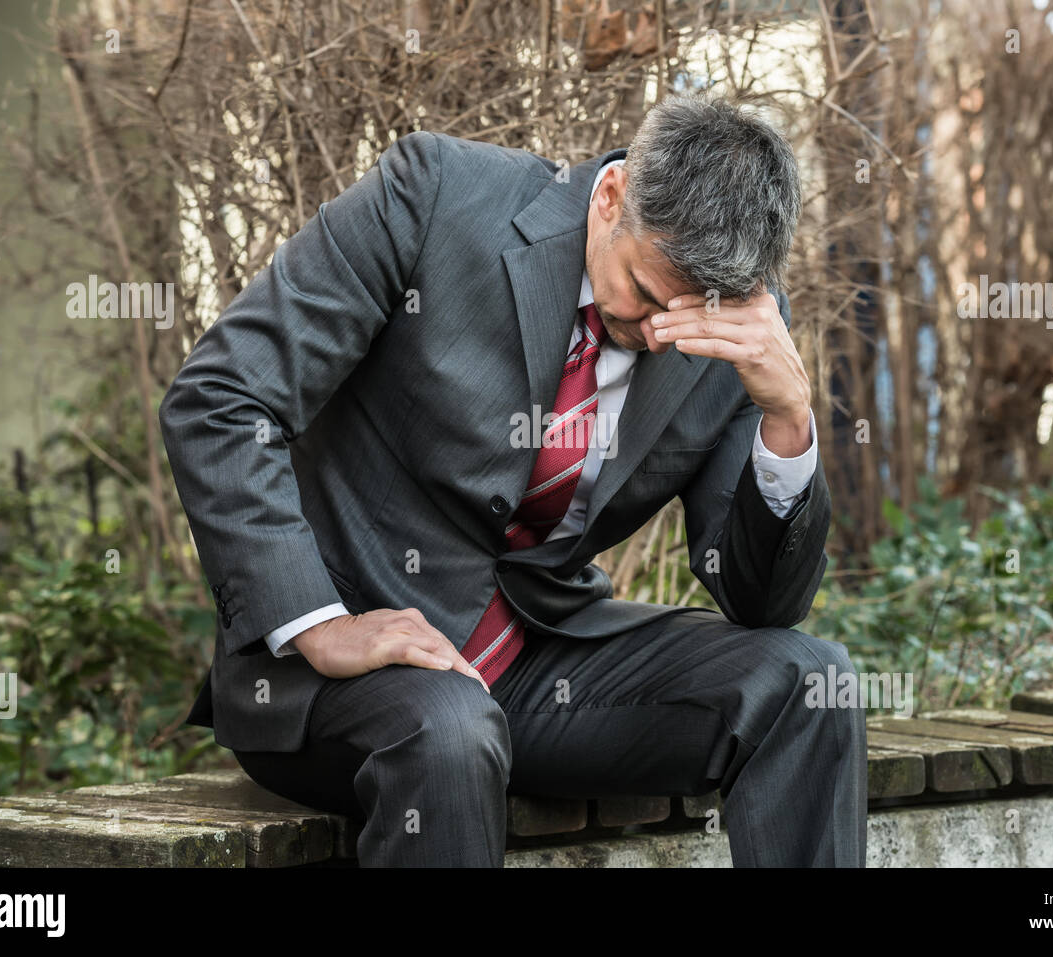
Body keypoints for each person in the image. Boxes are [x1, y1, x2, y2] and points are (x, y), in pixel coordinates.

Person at [159, 92, 867, 867]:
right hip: (354, 673)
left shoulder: (738, 335)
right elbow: (223, 398)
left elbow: (761, 599)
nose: (663, 335)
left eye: (690, 317)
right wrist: (320, 624)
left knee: (809, 680)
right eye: (648, 294)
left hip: (538, 664)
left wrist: (788, 417)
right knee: (448, 729)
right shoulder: (436, 194)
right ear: (611, 196)